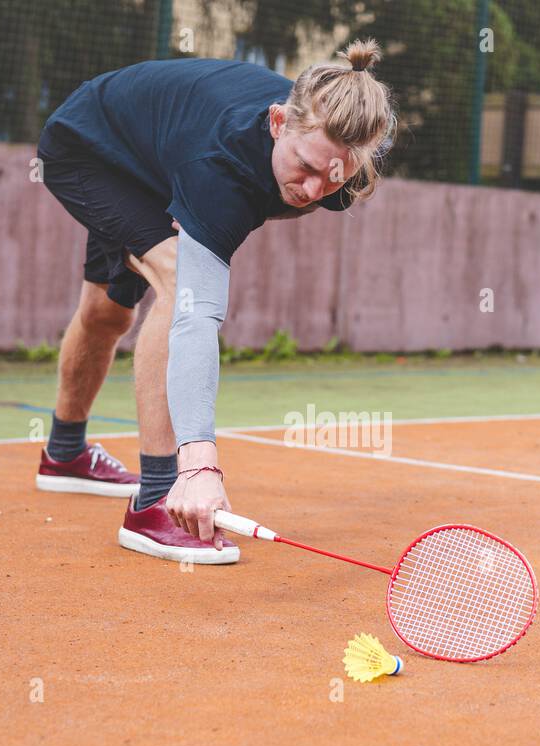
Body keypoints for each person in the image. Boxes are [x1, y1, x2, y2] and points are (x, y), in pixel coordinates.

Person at [33, 39, 396, 565]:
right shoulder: (218, 164)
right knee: (178, 278)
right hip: (90, 148)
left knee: (108, 312)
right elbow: (197, 313)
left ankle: (64, 455)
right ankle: (158, 497)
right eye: (304, 166)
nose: (313, 189)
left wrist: (325, 171)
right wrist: (200, 464)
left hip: (157, 155)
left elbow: (328, 167)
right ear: (277, 123)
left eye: (332, 177)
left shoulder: (347, 151)